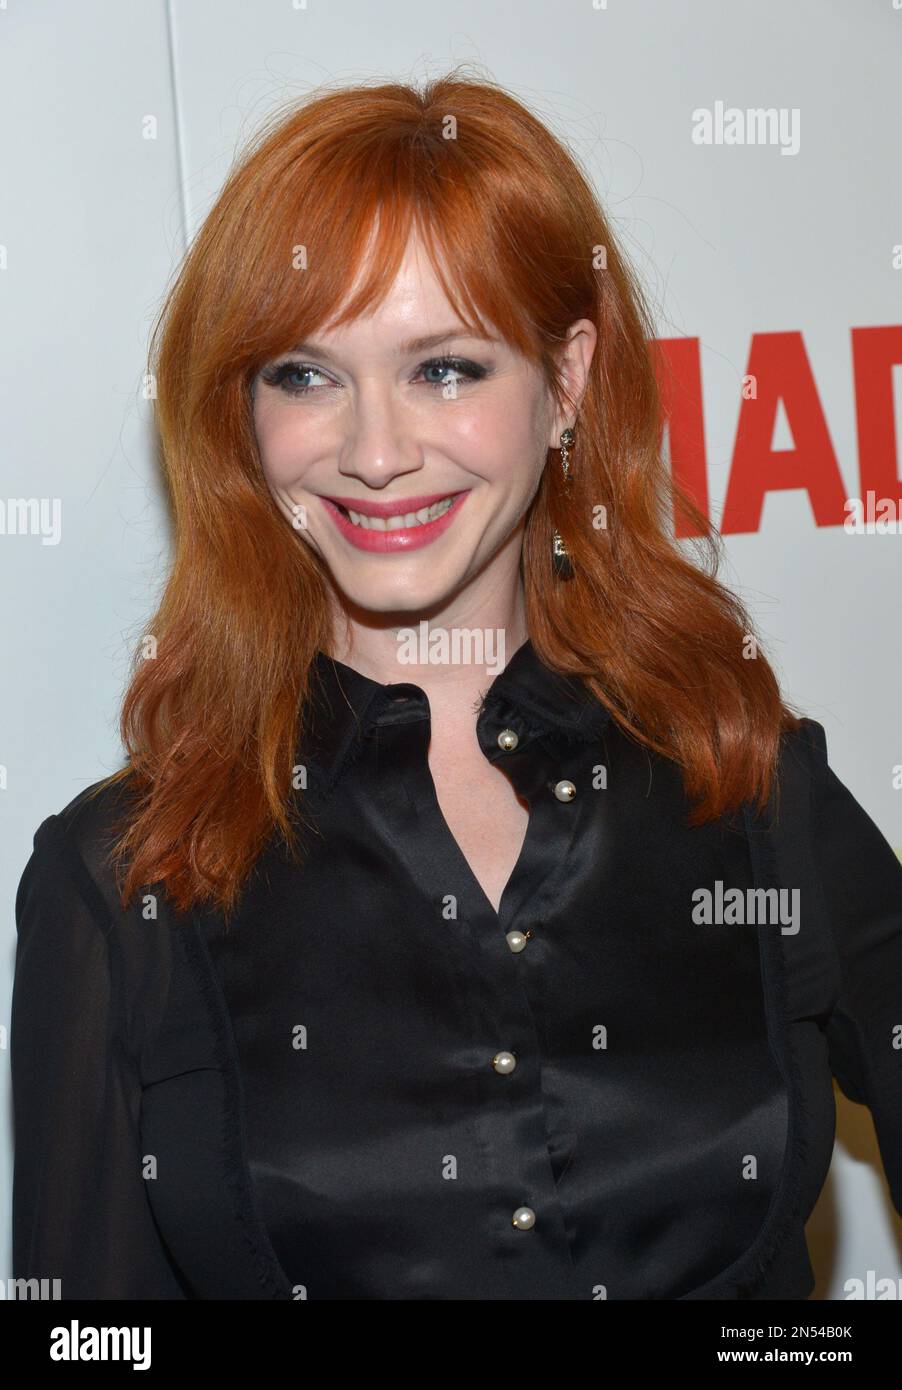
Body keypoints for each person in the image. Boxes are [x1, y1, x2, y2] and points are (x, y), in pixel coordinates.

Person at [10, 71, 902, 1301]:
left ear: (567, 378)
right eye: (305, 374)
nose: (373, 452)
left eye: (443, 369)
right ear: (241, 412)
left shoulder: (750, 789)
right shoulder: (121, 878)